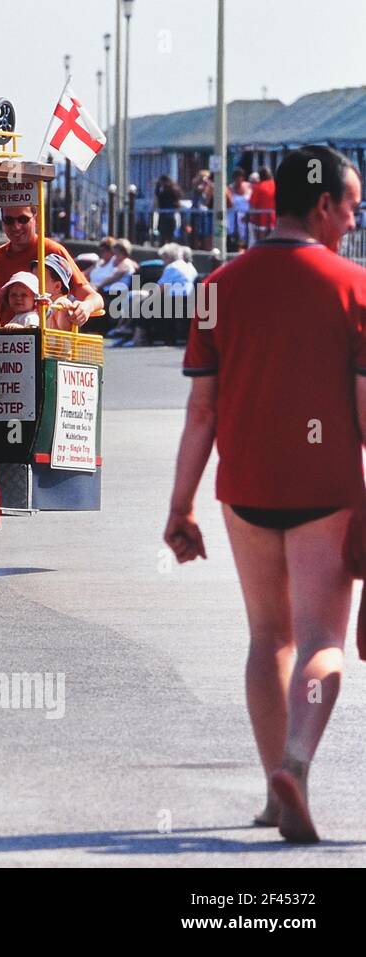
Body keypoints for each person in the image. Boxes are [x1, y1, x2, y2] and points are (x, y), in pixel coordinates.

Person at [164, 145, 366, 844]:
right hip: (326, 488)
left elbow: (201, 411)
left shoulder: (219, 285)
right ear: (322, 207)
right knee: (321, 637)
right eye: (350, 206)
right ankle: (298, 764)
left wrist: (180, 504)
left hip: (243, 484)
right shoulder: (355, 288)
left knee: (266, 636)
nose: (353, 217)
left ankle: (273, 792)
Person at [0, 204, 101, 325]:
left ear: (36, 219)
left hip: (43, 339)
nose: (16, 226)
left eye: (23, 219)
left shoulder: (52, 251)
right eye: (9, 220)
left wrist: (86, 307)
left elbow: (94, 297)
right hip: (2, 337)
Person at [248, 165, 276, 237]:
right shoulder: (277, 185)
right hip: (276, 221)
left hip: (261, 221)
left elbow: (252, 204)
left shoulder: (258, 187)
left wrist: (248, 217)